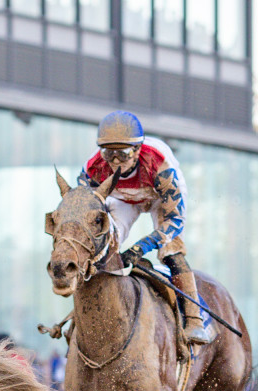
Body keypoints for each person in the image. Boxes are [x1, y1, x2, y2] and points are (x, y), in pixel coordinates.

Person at [78, 111, 211, 345]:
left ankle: (194, 319)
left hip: (159, 196)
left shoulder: (160, 165)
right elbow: (84, 211)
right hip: (122, 198)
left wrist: (141, 247)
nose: (115, 161)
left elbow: (175, 220)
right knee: (102, 242)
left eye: (123, 153)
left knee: (170, 249)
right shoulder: (92, 168)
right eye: (108, 153)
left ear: (138, 150)